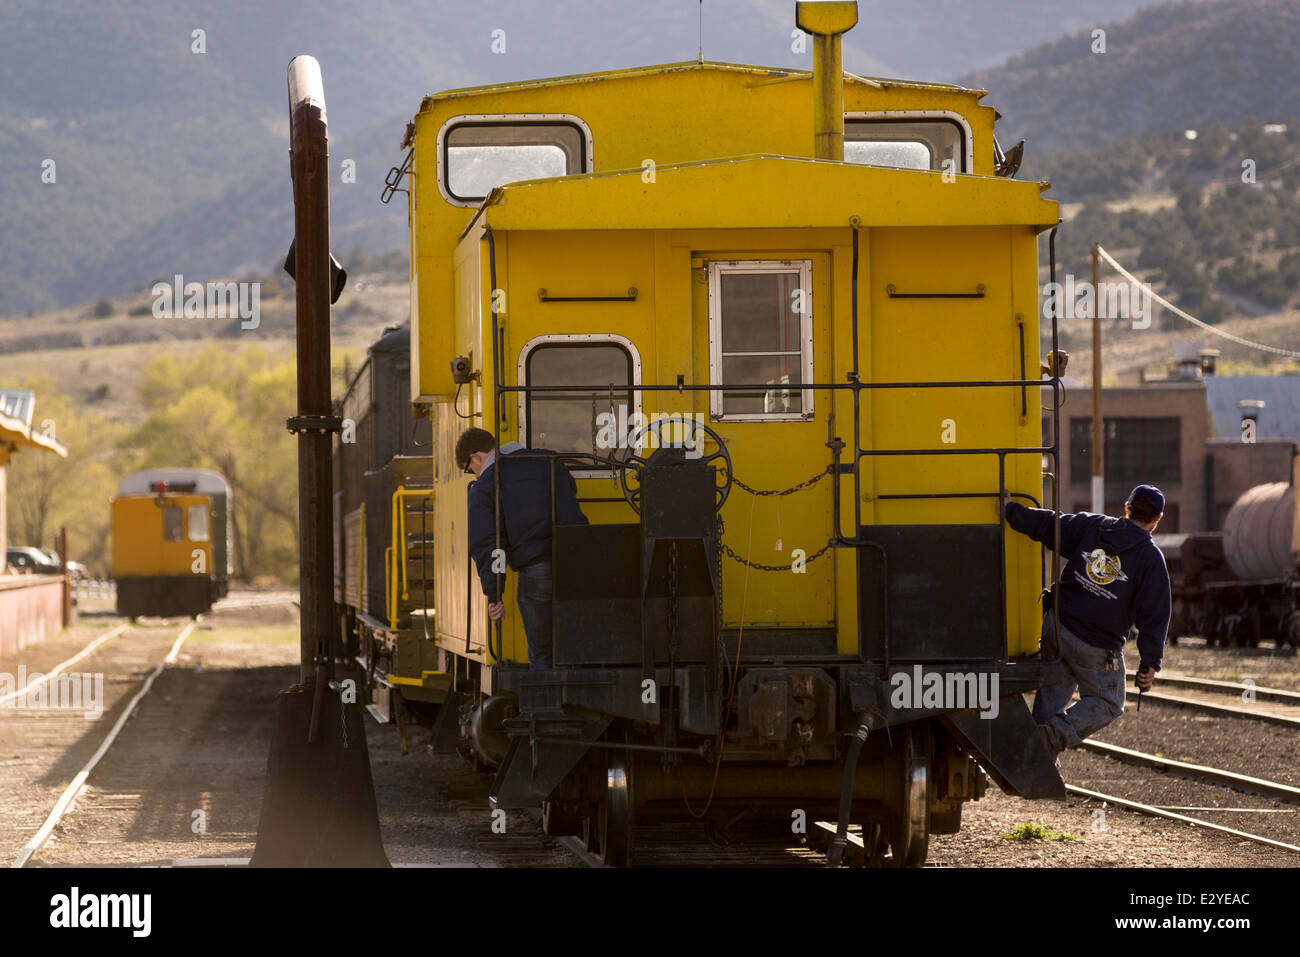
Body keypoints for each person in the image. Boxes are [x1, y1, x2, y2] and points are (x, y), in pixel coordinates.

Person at [1002, 484, 1171, 754]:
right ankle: (1046, 740)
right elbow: (1154, 616)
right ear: (1157, 519)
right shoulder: (1150, 558)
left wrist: (1011, 510)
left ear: (1127, 507)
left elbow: (1048, 524)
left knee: (1053, 694)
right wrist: (1149, 663)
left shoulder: (1093, 526)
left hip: (1056, 628)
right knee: (1109, 703)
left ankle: (1036, 764)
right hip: (1095, 643)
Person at [456, 428, 588, 670]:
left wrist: (495, 596)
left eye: (469, 469)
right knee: (577, 647)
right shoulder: (547, 460)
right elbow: (570, 492)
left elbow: (488, 543)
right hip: (579, 561)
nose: (473, 475)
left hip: (538, 567)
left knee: (542, 655)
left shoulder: (486, 486)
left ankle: (547, 703)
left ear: (475, 457)